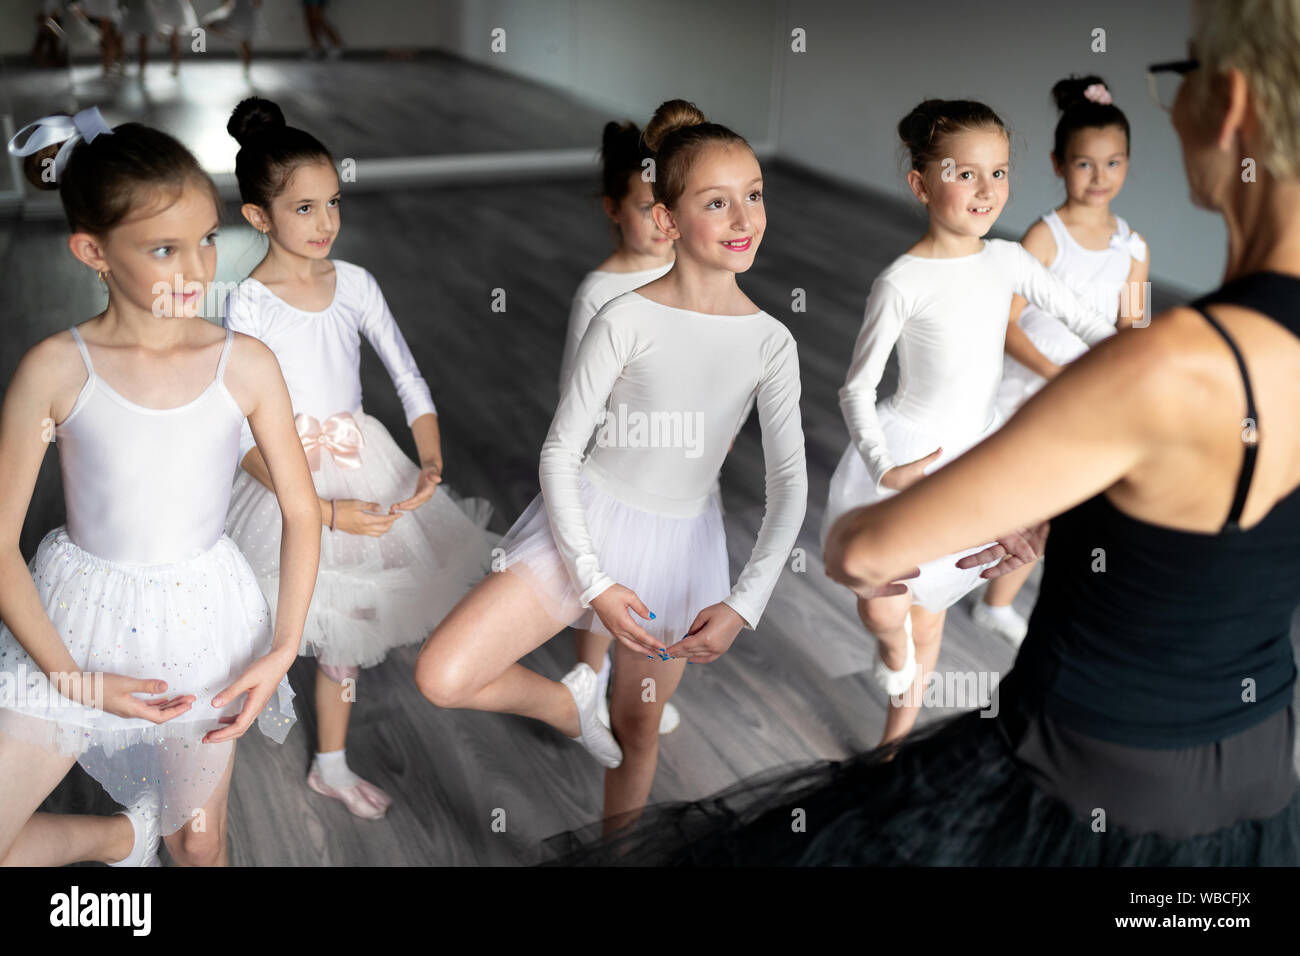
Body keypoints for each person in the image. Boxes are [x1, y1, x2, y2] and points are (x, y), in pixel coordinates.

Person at [545, 0, 1300, 865]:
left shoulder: (1164, 366)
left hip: (1084, 792)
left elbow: (862, 553)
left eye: (1186, 75)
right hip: (1260, 790)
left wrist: (915, 509)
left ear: (1231, 103)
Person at [416, 99, 808, 833]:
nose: (743, 218)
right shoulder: (622, 316)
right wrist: (593, 579)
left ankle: (618, 851)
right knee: (443, 674)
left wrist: (743, 602)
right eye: (716, 202)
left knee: (638, 726)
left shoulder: (770, 343)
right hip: (589, 525)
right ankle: (566, 703)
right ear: (667, 218)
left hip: (684, 546)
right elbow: (562, 450)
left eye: (753, 195)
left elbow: (789, 491)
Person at [0, 110, 318, 866]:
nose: (197, 271)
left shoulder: (247, 364)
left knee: (199, 848)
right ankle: (120, 837)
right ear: (92, 251)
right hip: (73, 622)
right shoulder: (54, 369)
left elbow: (302, 511)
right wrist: (71, 678)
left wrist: (282, 649)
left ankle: (156, 834)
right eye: (164, 249)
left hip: (202, 623)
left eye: (207, 239)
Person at [222, 97, 495, 819]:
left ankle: (332, 764)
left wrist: (428, 459)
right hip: (286, 475)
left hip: (361, 455)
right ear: (258, 217)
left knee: (347, 626)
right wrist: (316, 507)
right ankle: (210, 744)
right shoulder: (247, 304)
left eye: (333, 203)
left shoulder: (358, 285)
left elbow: (406, 375)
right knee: (267, 616)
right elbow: (239, 430)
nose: (326, 223)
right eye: (305, 208)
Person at [822, 98, 1115, 746]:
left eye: (1000, 173)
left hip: (972, 462)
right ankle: (891, 657)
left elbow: (1086, 322)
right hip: (906, 459)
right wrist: (882, 465)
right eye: (965, 174)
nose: (987, 190)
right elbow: (857, 388)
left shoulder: (1008, 261)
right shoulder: (902, 281)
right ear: (921, 185)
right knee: (884, 603)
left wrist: (1137, 356)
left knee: (930, 617)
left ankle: (894, 741)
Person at [977, 73, 1150, 646]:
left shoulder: (1133, 247)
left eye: (1113, 163)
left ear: (1127, 165)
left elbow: (1133, 327)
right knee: (994, 496)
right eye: (1084, 164)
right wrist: (1057, 377)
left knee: (1048, 508)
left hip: (1086, 399)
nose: (1099, 178)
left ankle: (997, 604)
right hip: (1029, 389)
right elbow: (1004, 322)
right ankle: (944, 580)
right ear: (1057, 163)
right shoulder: (1045, 238)